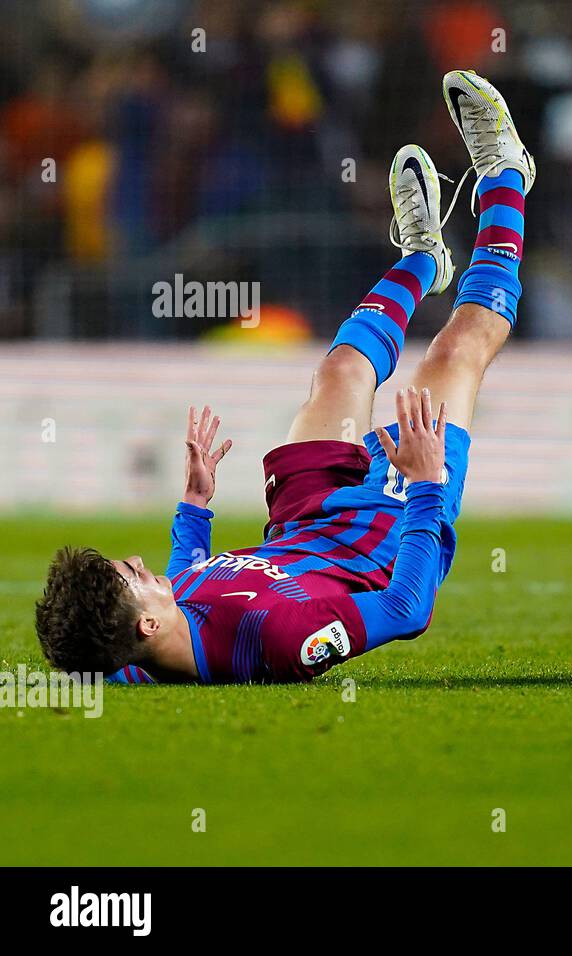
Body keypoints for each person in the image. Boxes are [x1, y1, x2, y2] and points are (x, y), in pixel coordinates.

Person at [34, 71, 534, 685]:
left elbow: (155, 618)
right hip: (382, 533)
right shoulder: (278, 639)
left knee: (340, 371)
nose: (140, 562)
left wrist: (194, 506)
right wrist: (429, 483)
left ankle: (422, 258)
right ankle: (507, 176)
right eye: (132, 574)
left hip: (302, 518)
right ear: (145, 624)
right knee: (454, 352)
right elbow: (406, 612)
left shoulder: (137, 649)